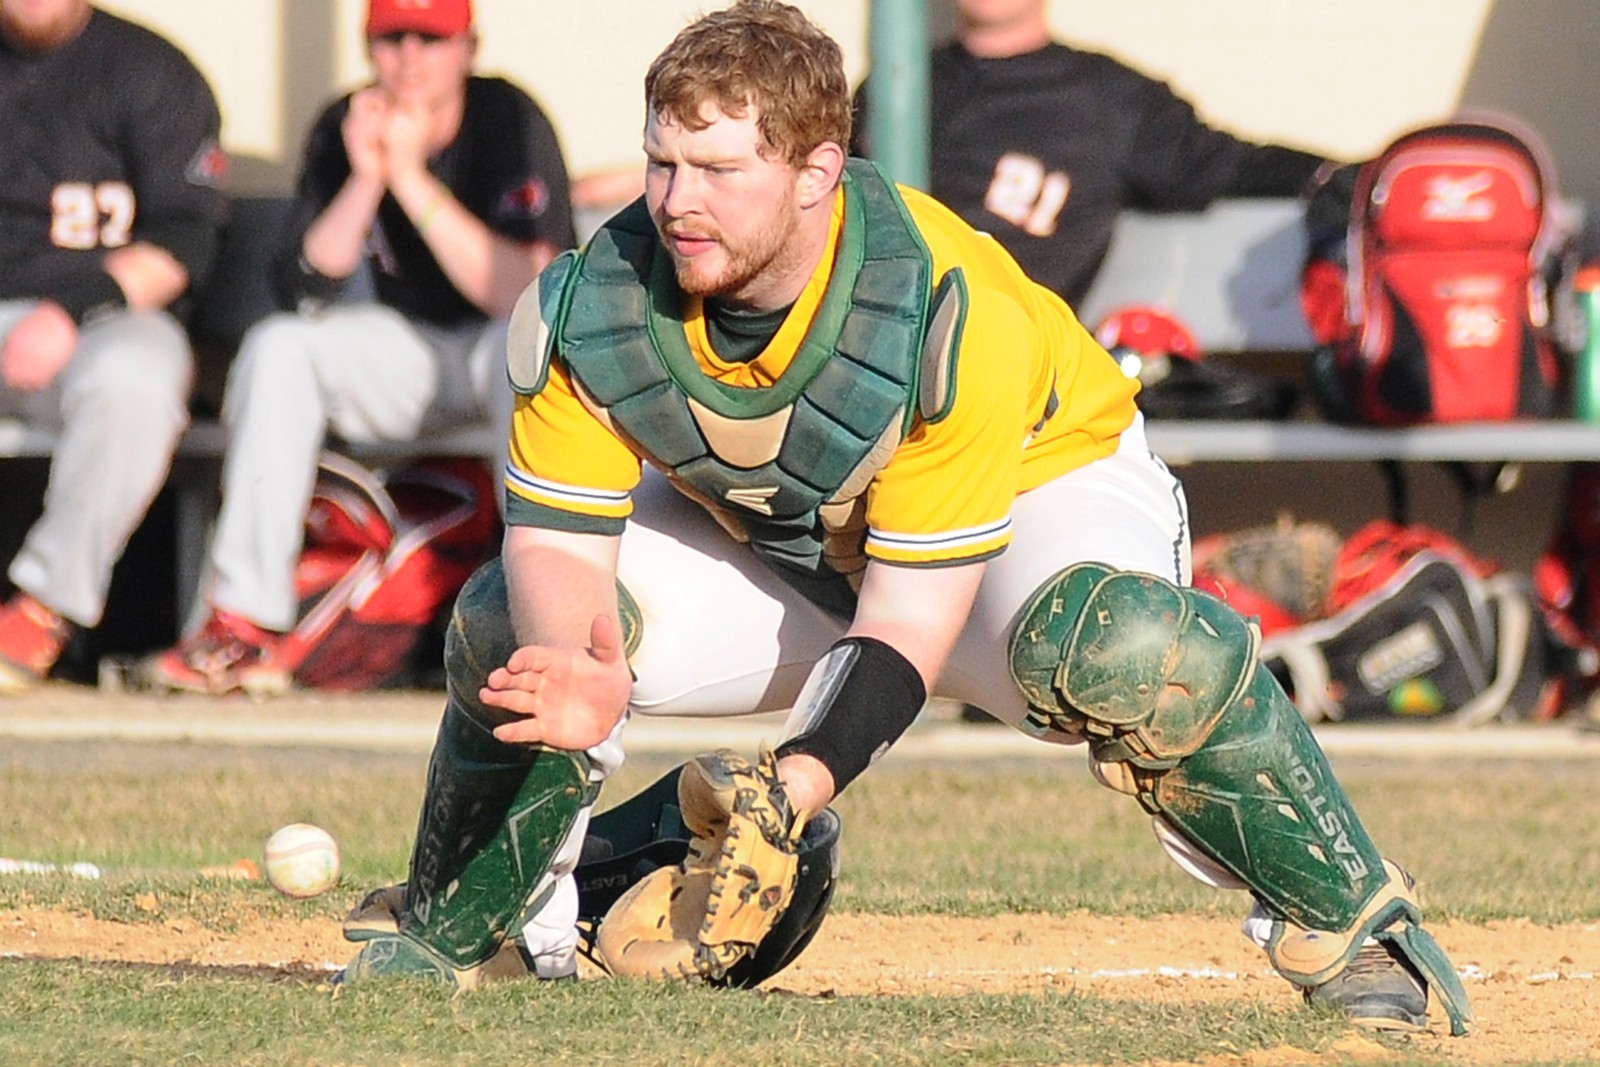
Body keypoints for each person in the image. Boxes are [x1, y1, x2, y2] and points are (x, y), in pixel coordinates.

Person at [339, 0, 1470, 1036]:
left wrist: (793, 784)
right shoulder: (598, 303)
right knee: (505, 618)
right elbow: (554, 545)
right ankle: (459, 923)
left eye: (720, 167)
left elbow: (906, 621)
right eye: (661, 160)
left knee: (1124, 645)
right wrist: (572, 653)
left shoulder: (932, 302)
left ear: (817, 170)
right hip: (798, 538)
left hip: (1035, 501)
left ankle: (1350, 918)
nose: (678, 200)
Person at [138, 0, 575, 695]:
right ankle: (243, 622)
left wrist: (410, 177)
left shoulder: (506, 117)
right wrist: (369, 175)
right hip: (399, 354)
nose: (408, 56)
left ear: (468, 47)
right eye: (391, 37)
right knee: (280, 348)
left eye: (430, 39)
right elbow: (306, 286)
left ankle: (544, 620)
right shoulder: (345, 123)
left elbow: (525, 290)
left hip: (494, 349)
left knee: (524, 351)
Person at [0, 0, 228, 693]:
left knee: (139, 376)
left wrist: (69, 311)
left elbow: (184, 242)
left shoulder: (150, 71)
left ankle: (41, 611)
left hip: (100, 323)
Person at [851, 0, 1334, 307]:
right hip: (880, 353)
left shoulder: (1111, 99)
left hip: (1018, 376)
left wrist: (1359, 176)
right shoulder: (894, 92)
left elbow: (1235, 165)